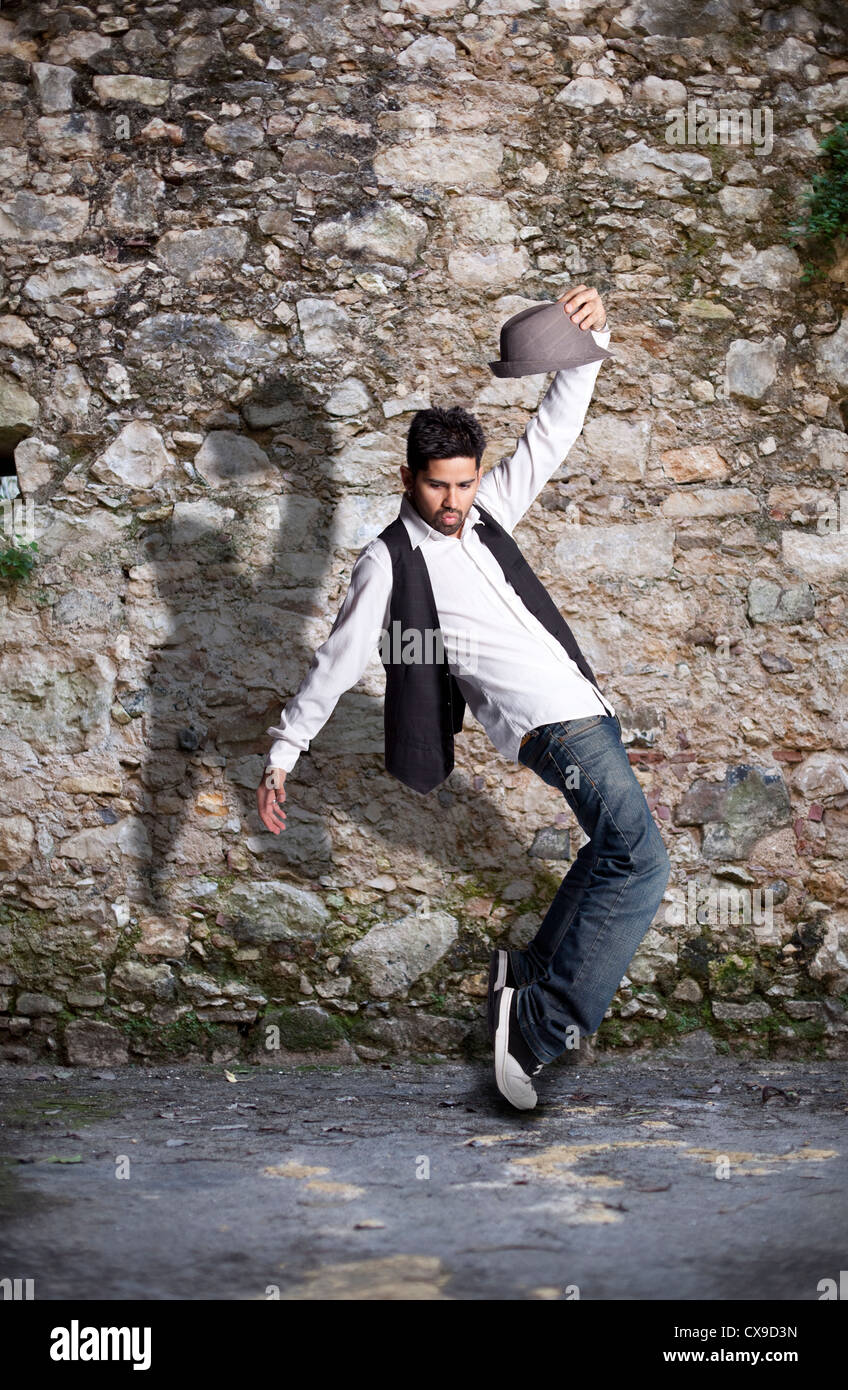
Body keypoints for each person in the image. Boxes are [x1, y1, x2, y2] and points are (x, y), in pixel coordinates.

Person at [256, 284, 670, 1111]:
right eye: (440, 487)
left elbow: (554, 431)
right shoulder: (388, 561)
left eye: (467, 483)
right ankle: (540, 1030)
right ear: (408, 478)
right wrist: (284, 751)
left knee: (608, 854)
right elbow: (337, 663)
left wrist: (593, 337)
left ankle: (526, 980)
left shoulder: (486, 516)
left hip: (587, 705)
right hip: (548, 726)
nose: (454, 503)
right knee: (644, 859)